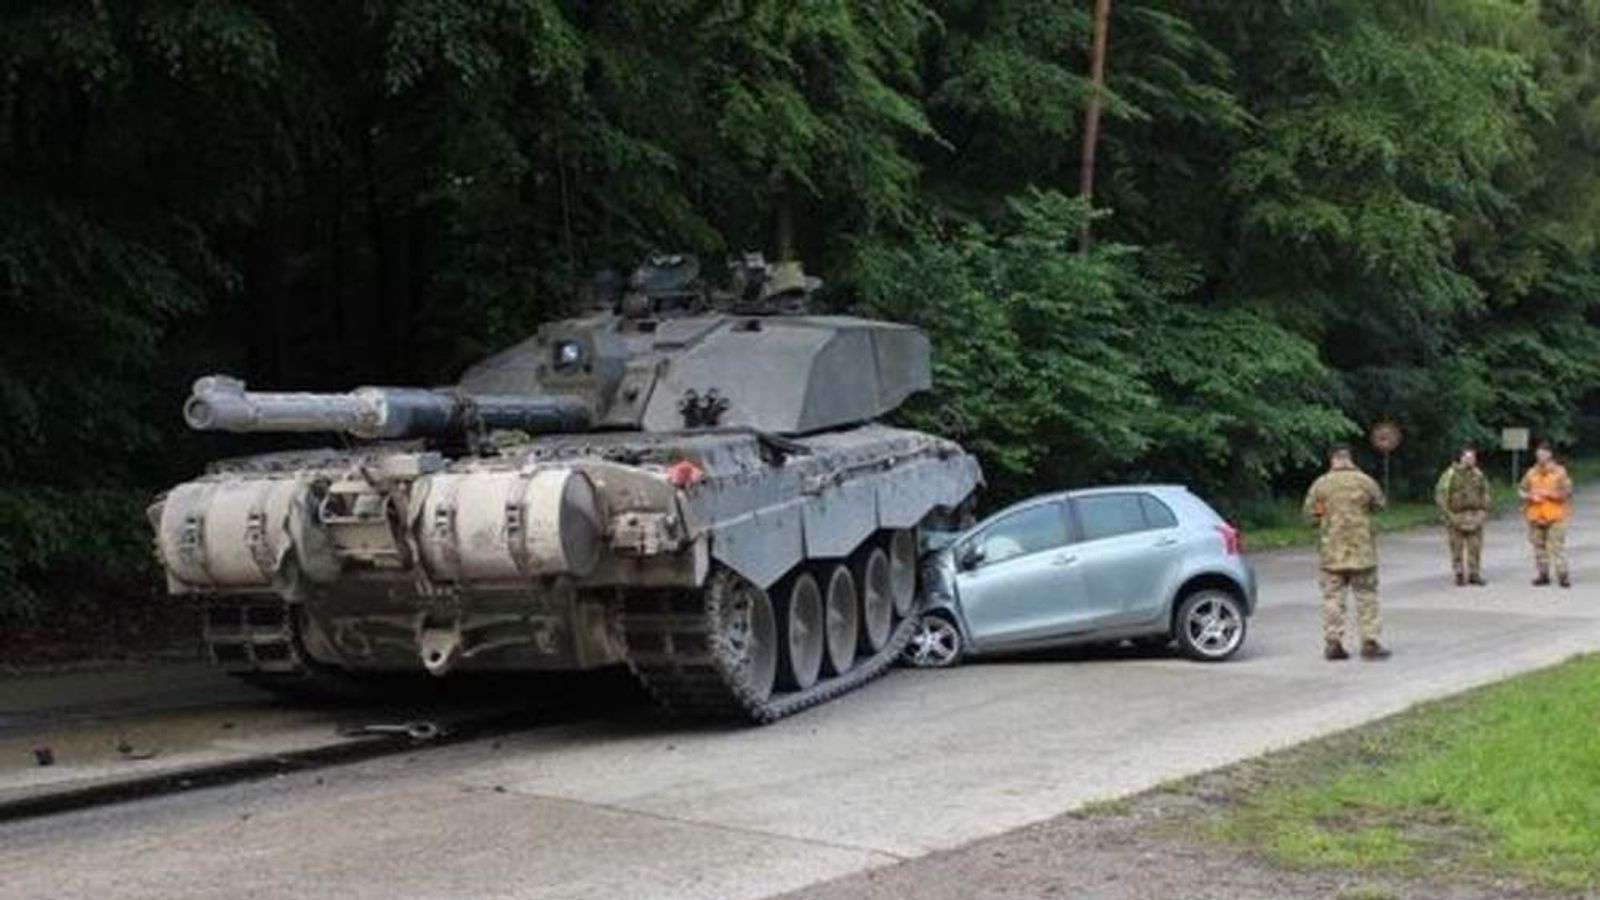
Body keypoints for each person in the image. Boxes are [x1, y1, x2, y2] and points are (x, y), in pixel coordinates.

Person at [1304, 445, 1391, 661]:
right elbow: (1381, 505)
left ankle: (1334, 642)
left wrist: (1324, 518)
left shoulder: (1321, 485)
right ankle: (1370, 642)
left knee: (1333, 598)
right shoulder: (1365, 481)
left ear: (1331, 459)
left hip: (1331, 552)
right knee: (1366, 596)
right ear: (1350, 458)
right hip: (1362, 551)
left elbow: (1309, 515)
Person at [1519, 442, 1574, 587]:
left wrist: (1550, 494)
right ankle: (1543, 575)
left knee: (1556, 547)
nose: (1540, 456)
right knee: (1539, 547)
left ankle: (1563, 576)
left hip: (1555, 516)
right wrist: (1530, 496)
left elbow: (1567, 492)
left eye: (1543, 454)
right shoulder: (1531, 472)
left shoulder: (1560, 472)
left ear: (1550, 455)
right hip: (1535, 516)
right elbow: (1521, 490)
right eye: (1538, 454)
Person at [1435, 446, 1491, 586]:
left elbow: (1486, 493)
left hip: (1474, 515)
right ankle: (1459, 573)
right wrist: (1448, 515)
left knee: (1475, 547)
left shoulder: (1479, 475)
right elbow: (1441, 495)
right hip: (1456, 515)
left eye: (1472, 458)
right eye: (1467, 457)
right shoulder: (1450, 474)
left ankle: (1474, 574)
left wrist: (1483, 512)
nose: (1470, 460)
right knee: (1456, 547)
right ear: (1460, 458)